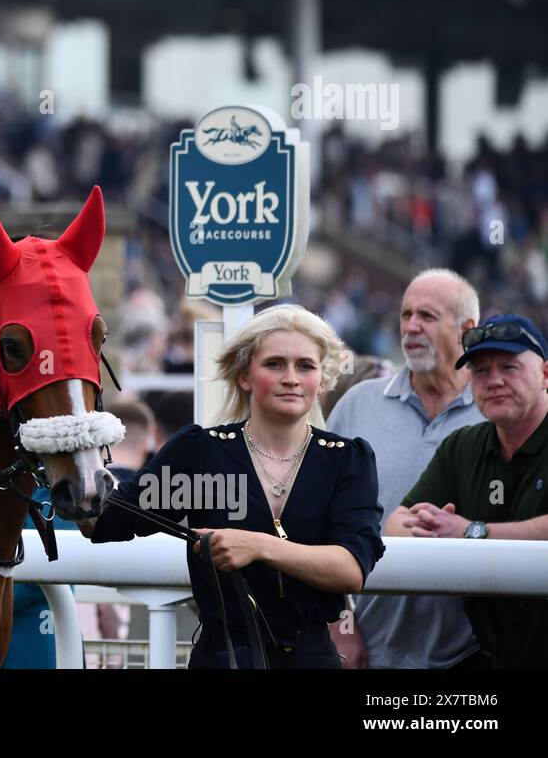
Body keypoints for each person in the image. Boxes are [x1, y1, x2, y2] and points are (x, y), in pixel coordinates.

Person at [81, 305, 385, 669]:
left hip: (311, 658)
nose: (291, 377)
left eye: (305, 366)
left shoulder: (347, 460)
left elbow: (351, 568)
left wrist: (256, 546)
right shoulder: (200, 452)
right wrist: (68, 445)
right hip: (223, 656)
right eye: (274, 364)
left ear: (321, 381)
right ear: (244, 376)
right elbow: (105, 521)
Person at [326, 269, 485, 668]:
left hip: (475, 652)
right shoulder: (357, 404)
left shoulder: (496, 409)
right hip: (369, 651)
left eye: (427, 316)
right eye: (405, 314)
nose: (411, 327)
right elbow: (315, 524)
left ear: (467, 329)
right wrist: (340, 626)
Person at [384, 314, 548, 668]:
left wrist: (470, 532)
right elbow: (396, 523)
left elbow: (465, 531)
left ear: (545, 375)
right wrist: (430, 528)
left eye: (510, 367)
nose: (494, 381)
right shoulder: (463, 445)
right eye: (480, 371)